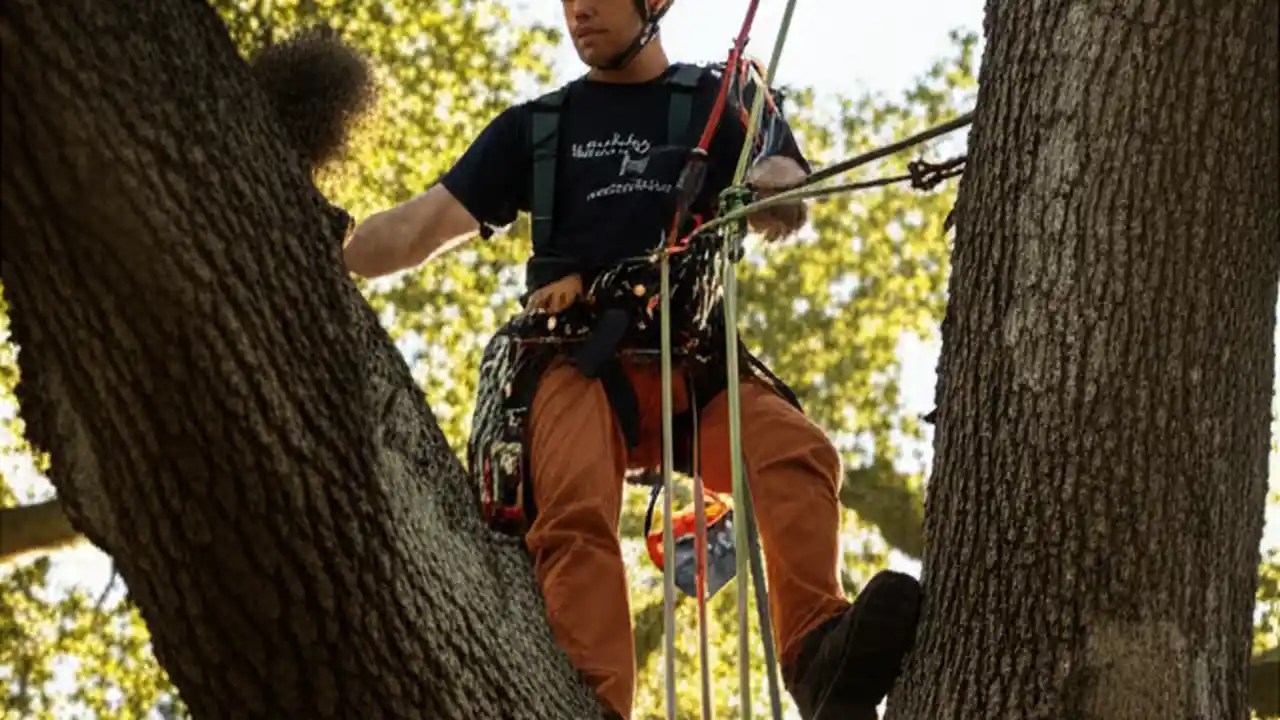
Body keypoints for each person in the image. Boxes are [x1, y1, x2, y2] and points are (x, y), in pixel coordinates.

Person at [342, 1, 922, 718]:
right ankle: (591, 703)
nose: (578, 10)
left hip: (692, 363)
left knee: (795, 453)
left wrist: (771, 188)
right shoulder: (537, 128)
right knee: (577, 510)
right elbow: (413, 231)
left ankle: (816, 653)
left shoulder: (716, 100)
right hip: (576, 359)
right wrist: (324, 237)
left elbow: (782, 185)